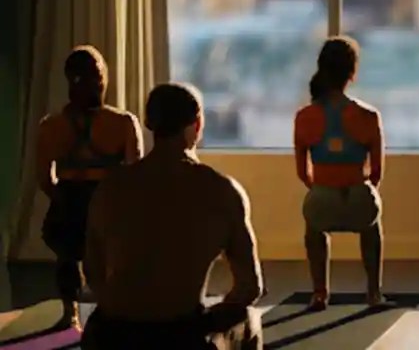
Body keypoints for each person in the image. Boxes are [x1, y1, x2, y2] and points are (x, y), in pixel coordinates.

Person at [82, 83, 264, 349]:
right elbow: (250, 287)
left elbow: (93, 273)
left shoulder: (111, 187)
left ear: (149, 124)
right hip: (179, 337)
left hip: (110, 336)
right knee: (248, 318)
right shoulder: (222, 192)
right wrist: (205, 317)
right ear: (198, 124)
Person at [35, 46, 142, 329]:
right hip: (108, 201)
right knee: (110, 260)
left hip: (69, 200)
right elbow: (134, 174)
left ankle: (69, 314)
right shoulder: (123, 123)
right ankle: (111, 309)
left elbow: (44, 178)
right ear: (102, 78)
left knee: (66, 256)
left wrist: (63, 198)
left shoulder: (50, 126)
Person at [293, 36, 387, 311]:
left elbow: (302, 173)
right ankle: (373, 292)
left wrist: (323, 187)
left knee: (314, 226)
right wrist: (361, 190)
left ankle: (320, 293)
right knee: (372, 226)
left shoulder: (304, 117)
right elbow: (377, 172)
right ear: (352, 73)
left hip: (322, 202)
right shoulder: (369, 116)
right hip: (360, 202)